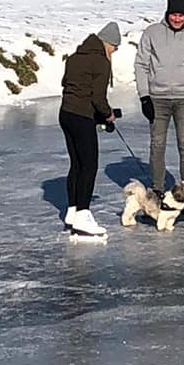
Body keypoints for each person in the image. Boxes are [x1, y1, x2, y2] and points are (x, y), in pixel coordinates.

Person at [134, 0, 184, 219]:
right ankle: (157, 192)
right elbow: (141, 65)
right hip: (157, 99)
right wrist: (144, 96)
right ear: (167, 13)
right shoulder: (152, 32)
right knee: (157, 145)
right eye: (173, 14)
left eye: (181, 15)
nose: (177, 19)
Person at [59, 21, 120, 238]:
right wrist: (108, 114)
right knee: (89, 166)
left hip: (65, 114)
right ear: (108, 43)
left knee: (76, 164)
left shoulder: (75, 57)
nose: (114, 52)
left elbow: (67, 84)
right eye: (115, 47)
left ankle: (72, 210)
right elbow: (98, 98)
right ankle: (83, 216)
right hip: (82, 117)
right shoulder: (101, 62)